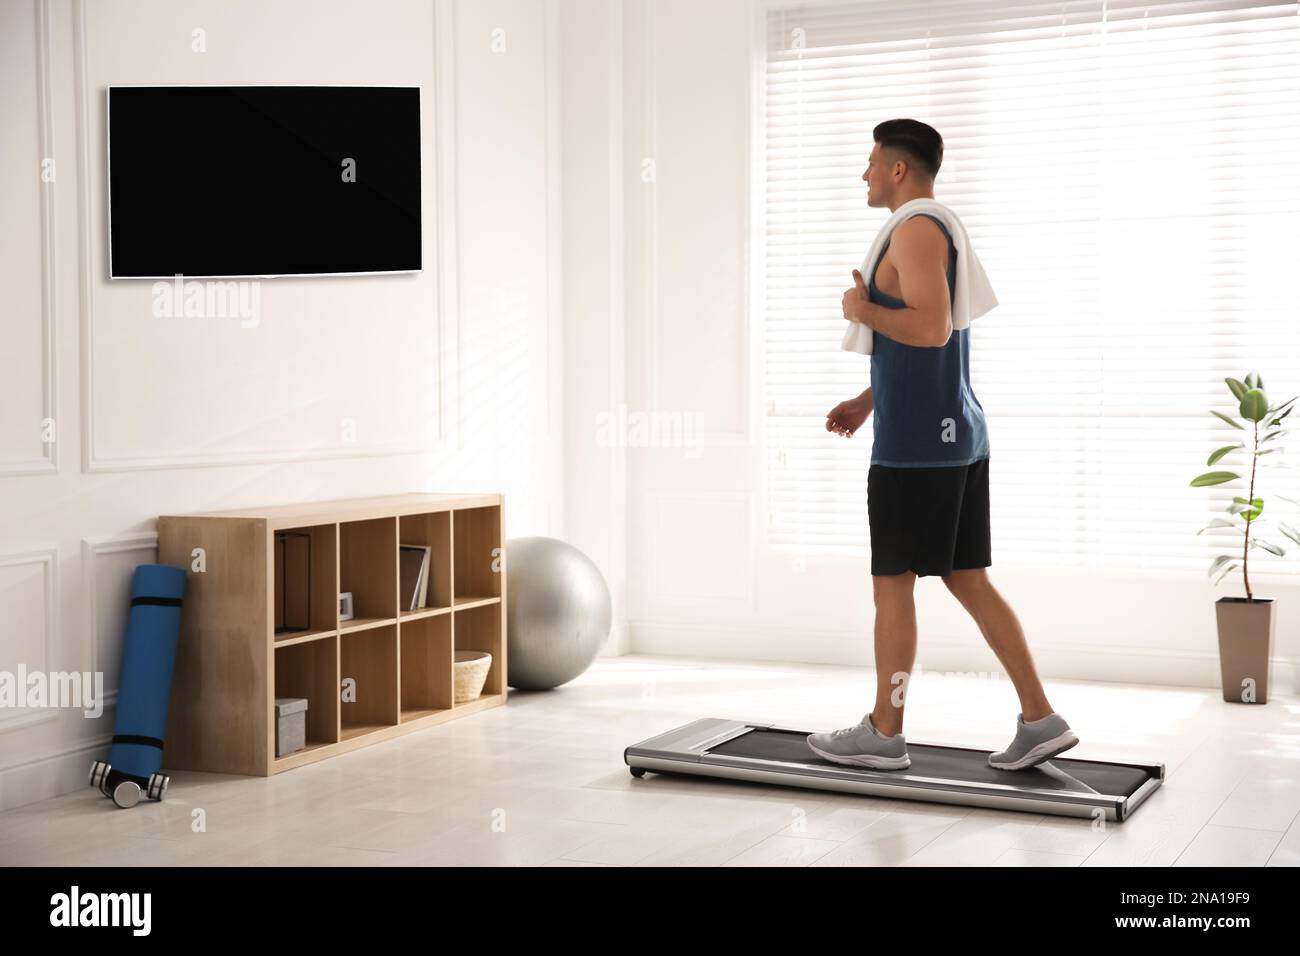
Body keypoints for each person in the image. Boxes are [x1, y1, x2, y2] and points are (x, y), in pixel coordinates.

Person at [806, 119, 1078, 772]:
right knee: (968, 579)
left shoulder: (917, 228)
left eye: (872, 162)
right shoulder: (930, 227)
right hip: (948, 433)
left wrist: (860, 308)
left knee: (892, 586)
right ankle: (1041, 720)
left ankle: (884, 732)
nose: (865, 173)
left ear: (899, 169)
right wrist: (868, 401)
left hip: (920, 449)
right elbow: (934, 344)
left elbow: (929, 329)